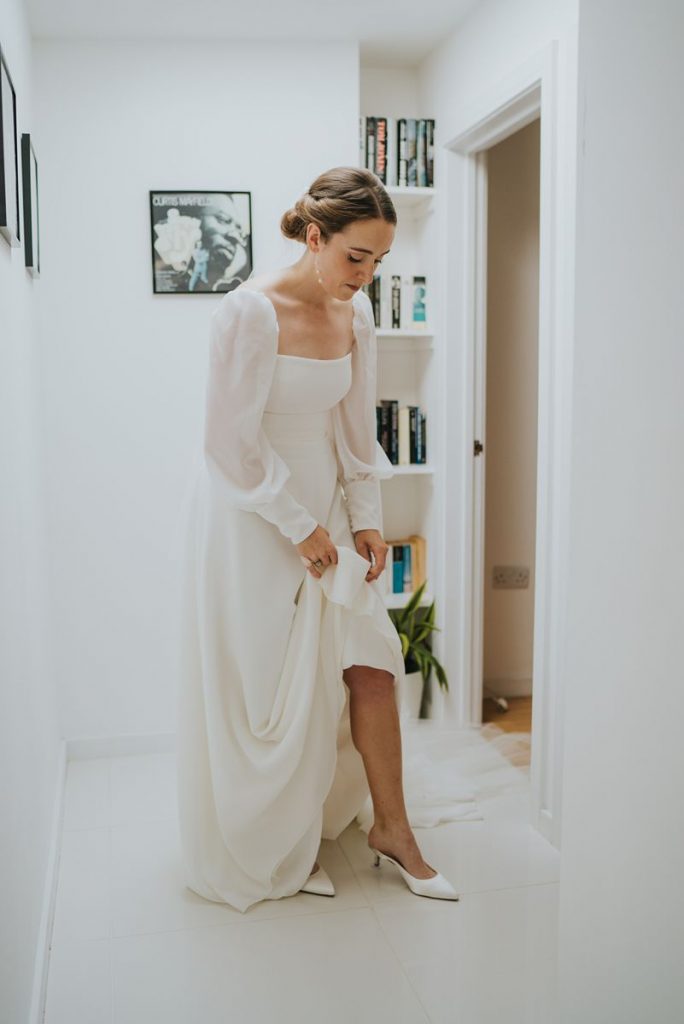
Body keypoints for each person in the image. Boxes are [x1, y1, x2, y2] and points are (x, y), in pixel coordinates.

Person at [175, 166, 459, 913]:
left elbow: (352, 429)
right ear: (313, 237)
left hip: (326, 506)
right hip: (253, 516)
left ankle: (395, 831)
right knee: (276, 689)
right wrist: (297, 527)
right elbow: (226, 443)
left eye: (379, 262)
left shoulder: (356, 316)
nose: (364, 277)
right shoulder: (248, 313)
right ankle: (276, 843)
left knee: (372, 661)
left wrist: (364, 513)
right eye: (355, 258)